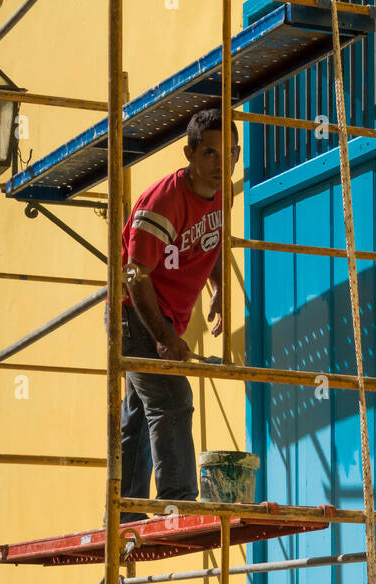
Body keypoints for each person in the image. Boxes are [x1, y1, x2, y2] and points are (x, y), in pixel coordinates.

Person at [116, 107, 239, 521]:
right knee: (172, 398)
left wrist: (219, 285)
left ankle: (125, 510)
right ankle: (179, 502)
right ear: (189, 153)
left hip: (167, 315)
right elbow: (134, 274)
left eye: (229, 154)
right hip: (134, 313)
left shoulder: (224, 191)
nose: (220, 165)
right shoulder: (163, 203)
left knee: (138, 413)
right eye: (209, 154)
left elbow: (215, 237)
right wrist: (164, 337)